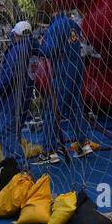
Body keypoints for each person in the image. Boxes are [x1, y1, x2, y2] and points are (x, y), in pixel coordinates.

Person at [38, 11, 94, 160]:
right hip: (78, 69)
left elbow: (49, 51)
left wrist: (38, 46)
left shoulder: (55, 27)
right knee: (75, 106)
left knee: (52, 109)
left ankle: (48, 151)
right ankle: (83, 144)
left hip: (63, 70)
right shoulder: (73, 24)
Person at [0, 21, 42, 165]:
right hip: (23, 99)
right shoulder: (32, 49)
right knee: (12, 133)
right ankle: (14, 167)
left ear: (17, 35)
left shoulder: (18, 50)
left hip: (13, 100)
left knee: (7, 134)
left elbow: (9, 76)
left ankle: (19, 170)